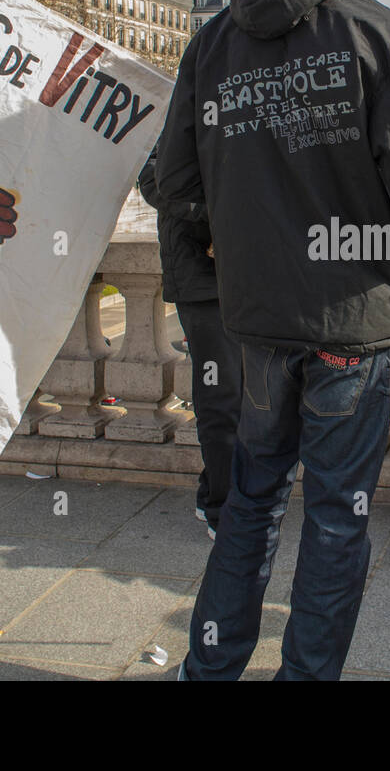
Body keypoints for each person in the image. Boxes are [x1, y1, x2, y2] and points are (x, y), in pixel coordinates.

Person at [155, 0, 390, 680]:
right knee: (335, 521)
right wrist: (349, 235)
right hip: (351, 328)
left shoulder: (215, 39)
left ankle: (208, 672)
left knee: (249, 504)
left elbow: (170, 183)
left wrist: (250, 233)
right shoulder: (388, 37)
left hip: (254, 321)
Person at [138, 145, 240, 541]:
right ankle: (222, 508)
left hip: (254, 275)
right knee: (223, 399)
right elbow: (152, 179)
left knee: (253, 399)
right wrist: (222, 209)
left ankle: (217, 490)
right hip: (204, 280)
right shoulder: (182, 104)